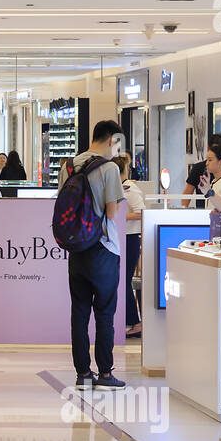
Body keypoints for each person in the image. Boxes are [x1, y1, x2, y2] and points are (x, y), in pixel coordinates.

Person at [58, 120, 126, 389]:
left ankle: (83, 373)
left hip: (76, 248)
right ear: (110, 140)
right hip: (103, 248)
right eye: (117, 144)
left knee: (79, 310)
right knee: (105, 313)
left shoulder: (69, 166)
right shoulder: (109, 169)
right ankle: (106, 374)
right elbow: (111, 213)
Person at [115, 155, 145, 338]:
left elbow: (142, 212)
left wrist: (121, 217)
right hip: (122, 237)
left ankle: (135, 322)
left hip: (131, 238)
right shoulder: (119, 187)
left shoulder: (131, 189)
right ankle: (130, 320)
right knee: (121, 280)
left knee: (124, 280)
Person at [183, 133, 221, 205]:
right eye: (208, 159)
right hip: (203, 211)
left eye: (210, 160)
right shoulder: (199, 168)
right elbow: (187, 193)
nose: (207, 163)